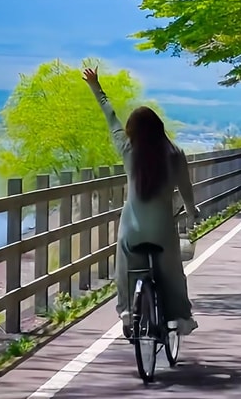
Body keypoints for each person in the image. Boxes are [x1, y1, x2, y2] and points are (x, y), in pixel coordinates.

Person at [82, 66, 200, 336]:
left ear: (132, 131)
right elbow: (186, 189)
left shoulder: (127, 150)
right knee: (173, 272)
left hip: (132, 230)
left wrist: (96, 86)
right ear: (160, 129)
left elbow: (111, 117)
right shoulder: (175, 154)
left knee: (124, 266)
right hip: (162, 231)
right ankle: (181, 318)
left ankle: (126, 310)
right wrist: (192, 212)